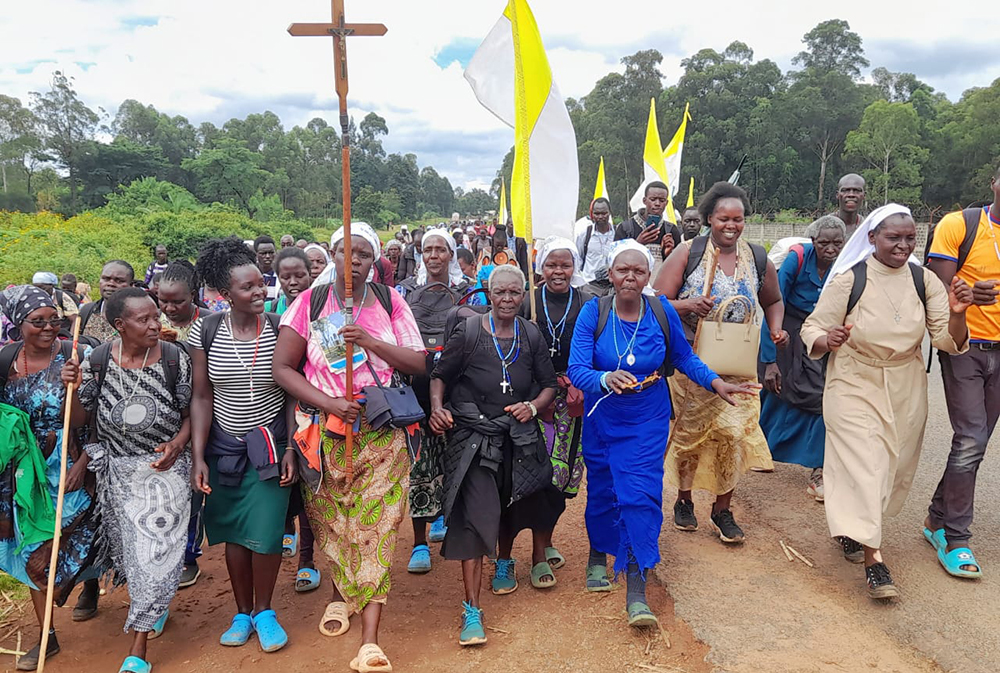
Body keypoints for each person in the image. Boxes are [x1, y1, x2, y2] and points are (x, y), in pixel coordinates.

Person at [568, 241, 756, 627]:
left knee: (640, 494)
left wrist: (716, 382)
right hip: (603, 414)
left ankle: (636, 587)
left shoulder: (661, 310)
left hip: (647, 416)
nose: (630, 277)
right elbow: (576, 370)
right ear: (611, 273)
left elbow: (684, 357)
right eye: (623, 270)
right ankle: (597, 552)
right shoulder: (594, 312)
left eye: (638, 271)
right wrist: (604, 377)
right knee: (603, 489)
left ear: (649, 275)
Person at [272, 223, 425, 672]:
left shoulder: (389, 301)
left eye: (362, 253)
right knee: (333, 523)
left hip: (382, 433)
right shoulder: (310, 303)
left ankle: (370, 641)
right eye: (345, 251)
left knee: (374, 527)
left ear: (374, 259)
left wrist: (371, 341)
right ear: (333, 256)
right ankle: (341, 594)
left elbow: (417, 362)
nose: (353, 259)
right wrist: (329, 401)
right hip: (323, 435)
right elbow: (284, 368)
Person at [801, 204, 972, 599]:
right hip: (853, 379)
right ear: (872, 238)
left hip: (905, 385)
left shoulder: (924, 281)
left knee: (890, 468)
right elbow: (813, 326)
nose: (902, 245)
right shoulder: (850, 280)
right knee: (865, 464)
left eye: (910, 238)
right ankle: (874, 561)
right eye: (893, 237)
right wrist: (830, 340)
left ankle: (853, 530)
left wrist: (960, 314)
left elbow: (946, 339)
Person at [428, 264, 558, 647]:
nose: (506, 300)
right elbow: (440, 374)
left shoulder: (530, 334)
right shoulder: (468, 332)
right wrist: (438, 407)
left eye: (514, 293)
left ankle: (505, 561)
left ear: (523, 295)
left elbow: (549, 384)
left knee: (511, 500)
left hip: (516, 436)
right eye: (499, 292)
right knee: (474, 515)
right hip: (475, 437)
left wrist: (532, 407)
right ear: (488, 292)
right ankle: (472, 610)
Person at [64, 287, 193, 673]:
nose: (156, 325)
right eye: (145, 320)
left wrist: (178, 443)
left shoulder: (174, 358)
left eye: (157, 317)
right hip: (118, 473)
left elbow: (191, 412)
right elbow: (82, 419)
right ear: (120, 326)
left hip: (164, 471)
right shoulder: (98, 361)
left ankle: (137, 649)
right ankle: (152, 604)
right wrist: (68, 387)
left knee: (157, 554)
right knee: (135, 555)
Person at [654, 181, 787, 544]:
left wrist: (775, 329)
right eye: (724, 218)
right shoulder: (688, 252)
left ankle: (722, 508)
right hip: (692, 364)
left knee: (734, 435)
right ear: (709, 218)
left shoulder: (758, 257)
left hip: (740, 364)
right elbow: (657, 303)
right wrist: (687, 305)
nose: (732, 225)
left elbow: (773, 300)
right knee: (691, 435)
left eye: (738, 219)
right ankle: (684, 500)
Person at [188, 237, 297, 653]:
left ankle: (266, 611)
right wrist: (198, 456)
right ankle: (241, 612)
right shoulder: (207, 330)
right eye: (247, 288)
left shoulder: (278, 327)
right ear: (226, 294)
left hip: (269, 444)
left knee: (266, 530)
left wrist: (289, 447)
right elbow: (201, 396)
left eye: (260, 285)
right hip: (224, 448)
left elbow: (290, 392)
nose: (259, 292)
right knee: (233, 531)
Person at [0, 287, 98, 671]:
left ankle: (89, 585)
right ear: (17, 325)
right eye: (37, 322)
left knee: (78, 534)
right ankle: (47, 634)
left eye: (53, 320)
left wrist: (72, 384)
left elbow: (89, 420)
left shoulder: (78, 355)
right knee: (32, 548)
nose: (47, 328)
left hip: (70, 459)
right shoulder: (6, 360)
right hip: (25, 472)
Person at [922, 165, 1000, 580]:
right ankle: (956, 538)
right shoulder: (961, 225)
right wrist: (966, 297)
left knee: (978, 441)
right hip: (965, 346)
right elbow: (937, 292)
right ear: (994, 183)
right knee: (970, 438)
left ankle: (937, 517)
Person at [395, 228, 470, 574]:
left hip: (459, 386)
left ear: (452, 254)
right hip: (417, 385)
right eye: (429, 250)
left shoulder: (466, 290)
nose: (435, 256)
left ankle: (445, 516)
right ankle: (419, 542)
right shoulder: (405, 291)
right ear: (421, 254)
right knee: (419, 461)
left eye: (442, 250)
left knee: (454, 455)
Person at [758, 216, 846, 502]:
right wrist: (770, 358)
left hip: (821, 334)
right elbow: (774, 303)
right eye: (824, 243)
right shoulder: (797, 258)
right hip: (787, 328)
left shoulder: (845, 266)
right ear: (813, 242)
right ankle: (761, 450)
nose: (830, 249)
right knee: (776, 390)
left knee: (820, 396)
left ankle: (818, 470)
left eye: (837, 243)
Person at [521, 238, 591, 579]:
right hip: (536, 399)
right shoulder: (527, 302)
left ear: (574, 267)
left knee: (564, 475)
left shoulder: (587, 302)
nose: (558, 271)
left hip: (574, 399)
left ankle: (547, 536)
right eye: (551, 265)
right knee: (539, 472)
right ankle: (535, 549)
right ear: (540, 267)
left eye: (564, 265)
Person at [155, 262, 213, 588]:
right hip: (165, 419)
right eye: (164, 300)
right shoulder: (152, 323)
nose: (169, 308)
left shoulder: (208, 322)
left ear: (194, 295)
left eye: (177, 301)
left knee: (194, 490)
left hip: (202, 416)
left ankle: (190, 553)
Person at [615, 181, 682, 267]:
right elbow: (615, 260)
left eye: (662, 200)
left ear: (666, 203)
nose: (657, 204)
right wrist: (638, 244)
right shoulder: (625, 228)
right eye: (653, 199)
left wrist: (668, 254)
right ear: (644, 200)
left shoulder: (671, 230)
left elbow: (677, 266)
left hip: (660, 280)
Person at [79, 260, 135, 345]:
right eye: (106, 279)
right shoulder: (87, 311)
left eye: (119, 281)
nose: (111, 284)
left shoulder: (137, 316)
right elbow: (75, 344)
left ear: (131, 285)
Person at [576, 198, 615, 284]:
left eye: (604, 213)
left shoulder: (617, 235)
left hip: (612, 285)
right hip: (589, 285)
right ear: (592, 214)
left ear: (609, 213)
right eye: (597, 214)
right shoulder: (585, 234)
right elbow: (577, 260)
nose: (600, 217)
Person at [268, 247, 312, 315]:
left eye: (299, 276)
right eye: (286, 277)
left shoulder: (323, 308)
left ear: (309, 274)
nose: (293, 282)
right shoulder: (268, 309)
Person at [832, 174, 866, 238]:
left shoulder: (868, 228)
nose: (851, 194)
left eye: (857, 191)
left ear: (864, 195)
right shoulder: (820, 227)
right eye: (845, 190)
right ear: (837, 195)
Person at [254, 235, 279, 301]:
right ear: (256, 254)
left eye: (271, 253)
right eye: (263, 253)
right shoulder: (250, 275)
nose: (267, 256)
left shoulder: (281, 275)